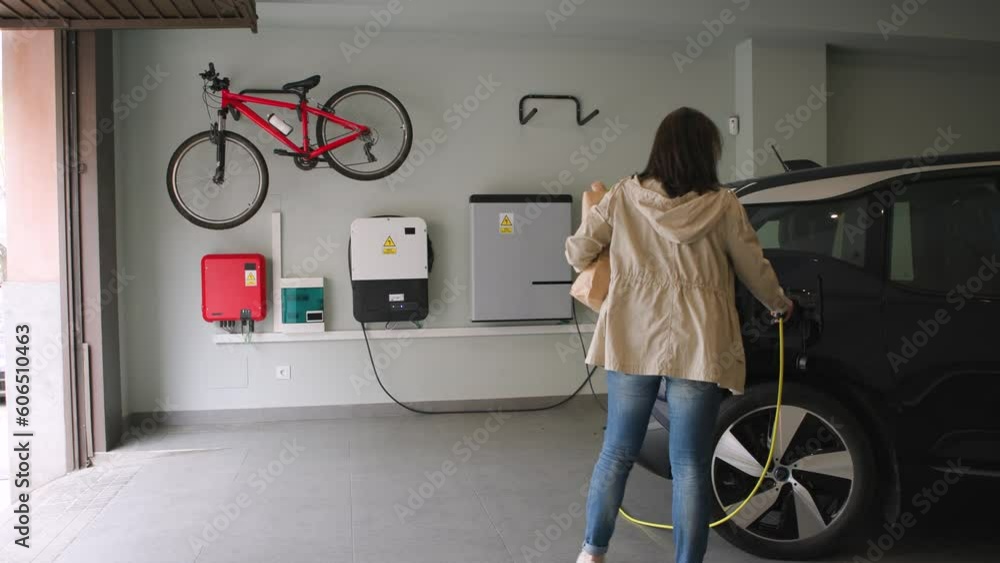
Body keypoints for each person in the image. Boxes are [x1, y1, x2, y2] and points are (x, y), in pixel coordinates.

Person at [565, 107, 792, 563]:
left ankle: (592, 552)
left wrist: (608, 241)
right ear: (705, 152)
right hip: (700, 340)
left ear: (660, 149)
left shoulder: (624, 196)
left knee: (617, 452)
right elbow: (754, 268)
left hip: (632, 333)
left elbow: (577, 252)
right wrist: (778, 303)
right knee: (689, 465)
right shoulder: (723, 204)